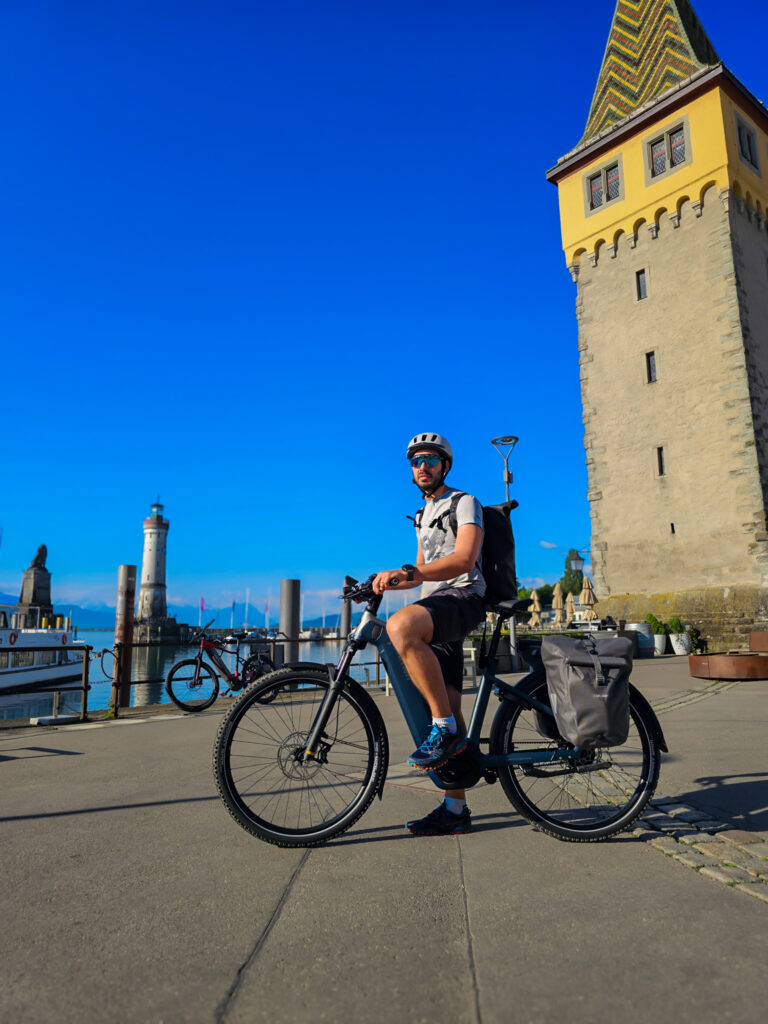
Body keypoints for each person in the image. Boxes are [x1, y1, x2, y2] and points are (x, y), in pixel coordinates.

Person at [372, 432, 486, 836]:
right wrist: (379, 581)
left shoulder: (463, 502)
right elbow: (419, 572)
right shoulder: (422, 515)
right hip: (437, 607)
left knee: (400, 624)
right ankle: (456, 810)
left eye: (430, 461)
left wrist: (411, 574)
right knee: (450, 706)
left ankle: (443, 728)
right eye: (416, 462)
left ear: (445, 466)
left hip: (464, 597)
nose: (423, 467)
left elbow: (463, 558)